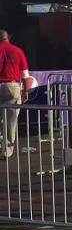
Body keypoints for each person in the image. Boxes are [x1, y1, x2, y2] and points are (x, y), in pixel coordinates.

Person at [0, 29, 31, 159]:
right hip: (12, 87)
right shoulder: (18, 51)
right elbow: (25, 75)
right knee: (11, 122)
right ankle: (6, 152)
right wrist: (26, 91)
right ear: (8, 37)